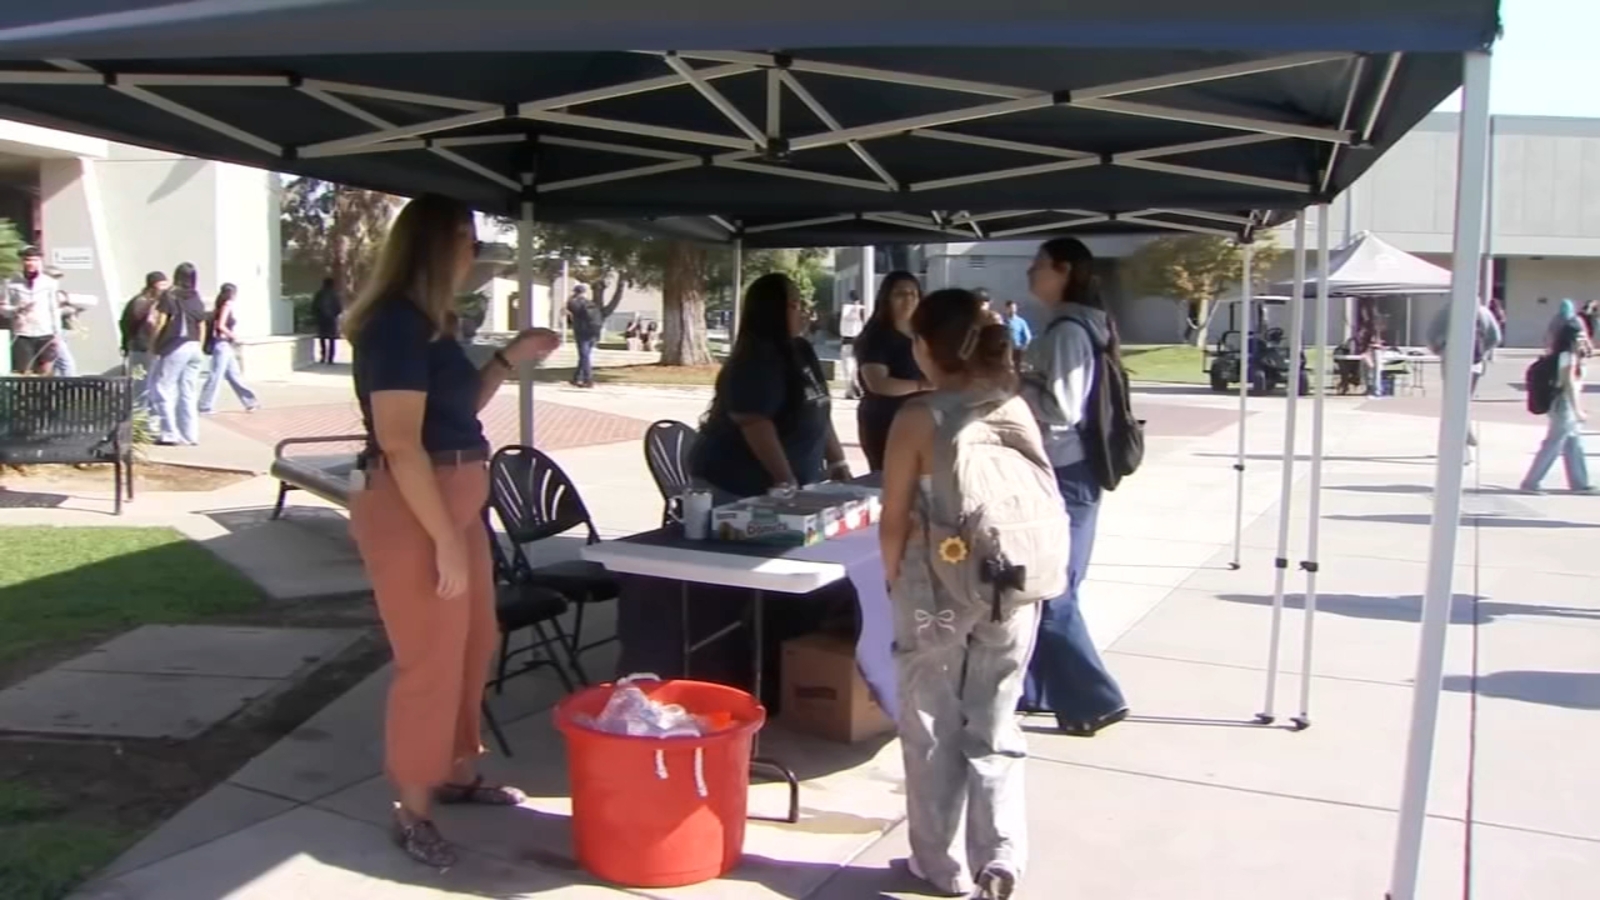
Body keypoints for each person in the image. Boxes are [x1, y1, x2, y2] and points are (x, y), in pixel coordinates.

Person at [343, 194, 559, 868]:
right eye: (466, 238)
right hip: (415, 508)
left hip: (453, 501)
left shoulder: (434, 324)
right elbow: (401, 443)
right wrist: (441, 539)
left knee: (473, 642)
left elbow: (455, 411)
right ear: (433, 245)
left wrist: (504, 359)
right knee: (430, 660)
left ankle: (455, 770)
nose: (474, 250)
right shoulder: (393, 327)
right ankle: (413, 808)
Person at [879, 288, 1050, 899]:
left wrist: (892, 575)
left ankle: (940, 863)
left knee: (931, 721)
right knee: (997, 716)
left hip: (936, 583)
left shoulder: (919, 416)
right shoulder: (1012, 404)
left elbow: (894, 515)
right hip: (1013, 582)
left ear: (924, 348)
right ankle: (1000, 855)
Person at [1017, 237, 1129, 735]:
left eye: (1038, 265)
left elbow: (1061, 408)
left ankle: (1093, 699)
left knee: (1052, 590)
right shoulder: (1085, 324)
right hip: (1075, 472)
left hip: (1065, 471)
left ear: (1063, 270)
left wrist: (1017, 382)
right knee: (1055, 586)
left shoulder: (1068, 330)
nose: (1030, 272)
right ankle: (1037, 689)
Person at [689, 272, 850, 500]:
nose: (803, 312)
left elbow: (819, 408)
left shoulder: (801, 349)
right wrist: (785, 480)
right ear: (772, 310)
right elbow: (755, 423)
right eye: (794, 305)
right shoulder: (755, 361)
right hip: (738, 485)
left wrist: (837, 461)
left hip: (795, 483)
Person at [854, 271, 928, 471]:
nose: (908, 299)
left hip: (922, 423)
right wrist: (922, 385)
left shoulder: (924, 335)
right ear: (886, 298)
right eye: (900, 294)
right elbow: (878, 383)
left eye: (913, 294)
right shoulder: (876, 337)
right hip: (885, 422)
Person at [1425, 294, 1503, 460]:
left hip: (1452, 361)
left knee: (1452, 404)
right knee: (1465, 401)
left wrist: (1440, 350)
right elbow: (1496, 337)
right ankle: (1465, 437)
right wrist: (1482, 351)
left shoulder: (1447, 312)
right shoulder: (1483, 312)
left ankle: (1458, 444)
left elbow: (1431, 335)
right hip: (1475, 363)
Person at [1521, 319, 1591, 493]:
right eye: (1580, 336)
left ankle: (1579, 483)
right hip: (1563, 405)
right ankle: (1531, 482)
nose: (1584, 338)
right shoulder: (1568, 356)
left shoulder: (1567, 355)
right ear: (1571, 338)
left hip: (1561, 405)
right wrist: (1578, 411)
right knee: (1553, 444)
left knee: (1573, 443)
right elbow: (1569, 385)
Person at [150, 263, 210, 446]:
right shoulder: (195, 296)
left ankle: (169, 433)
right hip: (194, 347)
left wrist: (154, 344)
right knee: (188, 392)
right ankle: (190, 435)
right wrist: (199, 345)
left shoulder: (170, 294)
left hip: (175, 345)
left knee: (163, 388)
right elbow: (202, 323)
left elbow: (161, 321)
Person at [200, 283, 260, 414]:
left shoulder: (219, 305)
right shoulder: (227, 305)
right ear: (232, 294)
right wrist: (233, 336)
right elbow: (221, 325)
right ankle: (205, 405)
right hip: (222, 345)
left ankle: (250, 402)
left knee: (234, 375)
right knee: (216, 375)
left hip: (224, 345)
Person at [4, 246, 61, 374]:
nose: (31, 263)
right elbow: (4, 310)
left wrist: (57, 333)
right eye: (27, 260)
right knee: (24, 371)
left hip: (45, 331)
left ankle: (45, 393)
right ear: (22, 261)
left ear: (40, 261)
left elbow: (54, 309)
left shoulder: (49, 283)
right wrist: (17, 309)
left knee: (45, 370)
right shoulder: (11, 283)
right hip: (23, 332)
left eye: (35, 260)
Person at [121, 271, 169, 409]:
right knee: (139, 383)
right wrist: (126, 343)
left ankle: (146, 414)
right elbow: (129, 322)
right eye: (162, 284)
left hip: (154, 348)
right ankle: (137, 417)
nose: (165, 288)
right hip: (140, 347)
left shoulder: (158, 302)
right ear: (152, 286)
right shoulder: (141, 301)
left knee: (151, 383)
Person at [566, 284, 601, 388]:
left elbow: (569, 306)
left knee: (584, 356)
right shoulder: (591, 303)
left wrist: (571, 297)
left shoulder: (576, 303)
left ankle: (588, 379)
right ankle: (576, 378)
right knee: (584, 356)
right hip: (593, 332)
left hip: (582, 333)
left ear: (576, 292)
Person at [839, 290, 867, 400]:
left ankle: (854, 389)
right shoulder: (851, 309)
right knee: (850, 367)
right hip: (851, 341)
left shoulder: (853, 310)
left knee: (850, 367)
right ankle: (852, 389)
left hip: (853, 341)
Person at [312, 278, 342, 365]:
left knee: (322, 338)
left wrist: (317, 316)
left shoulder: (319, 294)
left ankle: (323, 356)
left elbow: (314, 306)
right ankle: (330, 358)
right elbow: (339, 308)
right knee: (332, 339)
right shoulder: (334, 295)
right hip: (332, 320)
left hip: (322, 319)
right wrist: (334, 315)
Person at [1003, 299, 1033, 368]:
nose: (1012, 310)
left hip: (1016, 349)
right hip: (1004, 350)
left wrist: (1024, 346)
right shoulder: (1002, 320)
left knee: (1016, 368)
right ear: (1006, 309)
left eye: (1014, 308)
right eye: (1010, 308)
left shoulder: (1020, 321)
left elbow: (1028, 336)